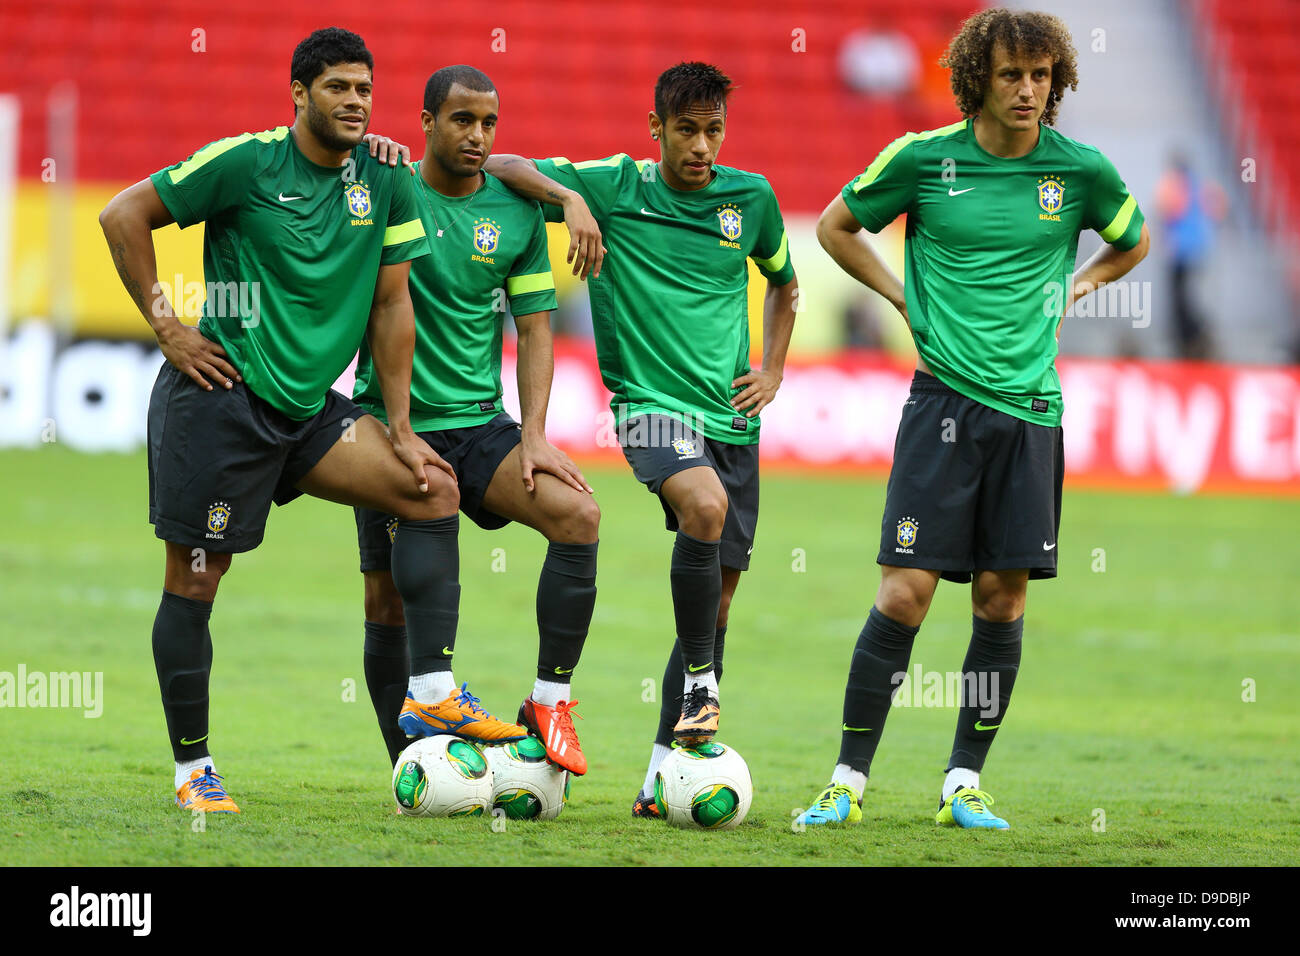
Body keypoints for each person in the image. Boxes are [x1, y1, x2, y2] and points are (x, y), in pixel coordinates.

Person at [98, 27, 467, 813]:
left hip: (309, 414)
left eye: (365, 88)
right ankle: (193, 771)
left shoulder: (386, 180)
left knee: (431, 488)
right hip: (222, 402)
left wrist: (399, 426)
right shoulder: (246, 163)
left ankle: (424, 729)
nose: (356, 102)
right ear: (299, 94)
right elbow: (122, 214)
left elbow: (394, 302)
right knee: (197, 579)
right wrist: (168, 325)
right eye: (338, 87)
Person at [796, 8, 1149, 828]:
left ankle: (964, 783)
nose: (1027, 91)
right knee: (905, 594)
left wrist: (1082, 284)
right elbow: (836, 226)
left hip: (1031, 415)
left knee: (1001, 601)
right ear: (976, 81)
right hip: (943, 406)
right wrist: (898, 296)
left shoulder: (1082, 172)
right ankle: (848, 778)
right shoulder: (923, 159)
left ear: (1056, 81)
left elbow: (1131, 240)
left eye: (1040, 76)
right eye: (1010, 75)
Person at [484, 61, 799, 818]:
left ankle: (662, 776)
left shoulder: (750, 199)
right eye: (686, 130)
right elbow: (502, 162)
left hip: (730, 416)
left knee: (715, 607)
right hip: (650, 405)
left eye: (713, 130)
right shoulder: (616, 186)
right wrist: (570, 201)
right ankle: (702, 687)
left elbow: (786, 284)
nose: (701, 146)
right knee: (703, 505)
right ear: (655, 128)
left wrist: (775, 370)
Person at [353, 65, 600, 776]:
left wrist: (534, 433)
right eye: (462, 120)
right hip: (390, 424)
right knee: (385, 599)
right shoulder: (389, 189)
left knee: (578, 516)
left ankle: (549, 700)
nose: (477, 135)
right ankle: (416, 761)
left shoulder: (516, 213)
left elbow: (537, 328)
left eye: (489, 122)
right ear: (426, 122)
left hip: (480, 426)